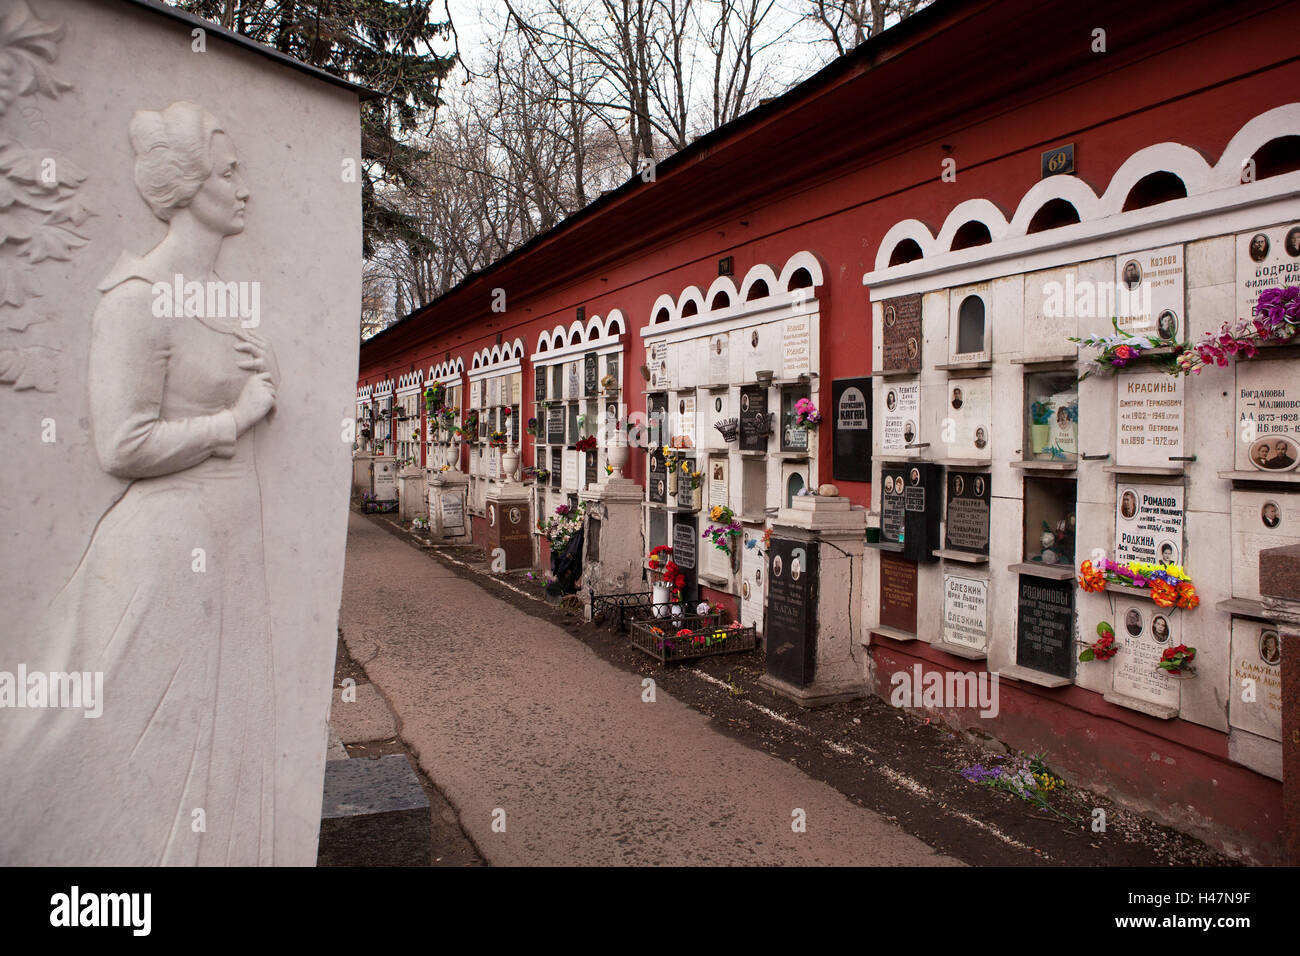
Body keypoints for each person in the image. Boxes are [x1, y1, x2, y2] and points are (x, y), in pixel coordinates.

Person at [5, 103, 277, 865]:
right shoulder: (134, 297)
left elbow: (230, 387)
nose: (246, 187)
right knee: (147, 749)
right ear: (189, 188)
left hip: (224, 545)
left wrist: (261, 383)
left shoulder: (218, 297)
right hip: (164, 558)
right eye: (229, 173)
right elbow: (122, 446)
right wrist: (234, 419)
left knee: (216, 742)